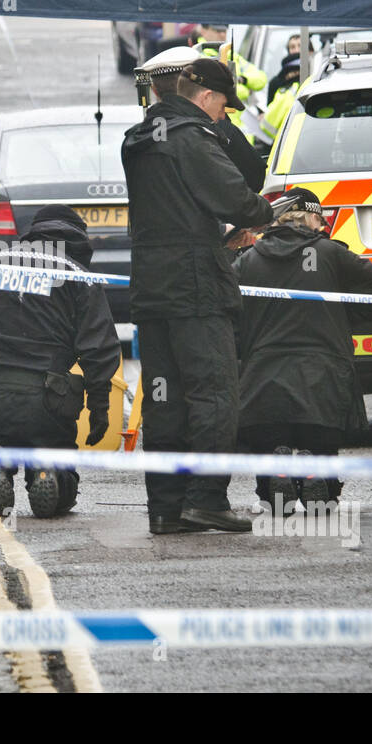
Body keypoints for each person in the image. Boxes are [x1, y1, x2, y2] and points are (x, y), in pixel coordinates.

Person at [121, 58, 274, 534]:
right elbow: (241, 199)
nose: (223, 115)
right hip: (196, 288)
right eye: (223, 105)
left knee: (166, 400)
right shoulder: (193, 140)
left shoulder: (138, 139)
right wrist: (265, 213)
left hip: (152, 287)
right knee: (214, 394)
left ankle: (167, 508)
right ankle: (206, 498)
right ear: (206, 98)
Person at [0, 206, 121, 518]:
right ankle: (46, 465)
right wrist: (99, 409)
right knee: (62, 497)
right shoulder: (78, 276)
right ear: (79, 241)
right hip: (49, 401)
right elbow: (100, 350)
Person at [233, 188, 372, 510]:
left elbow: (229, 314)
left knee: (269, 439)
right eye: (319, 219)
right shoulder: (332, 254)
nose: (322, 226)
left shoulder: (246, 261)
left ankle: (275, 472)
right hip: (324, 373)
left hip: (263, 376)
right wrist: (339, 316)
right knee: (321, 439)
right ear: (308, 217)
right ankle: (315, 469)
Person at [138, 46, 265, 192]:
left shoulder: (140, 135)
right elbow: (255, 178)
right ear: (192, 86)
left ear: (154, 90)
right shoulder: (214, 131)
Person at [267, 35, 303, 104]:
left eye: (300, 46)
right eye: (292, 47)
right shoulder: (276, 82)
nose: (296, 50)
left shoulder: (315, 74)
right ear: (288, 50)